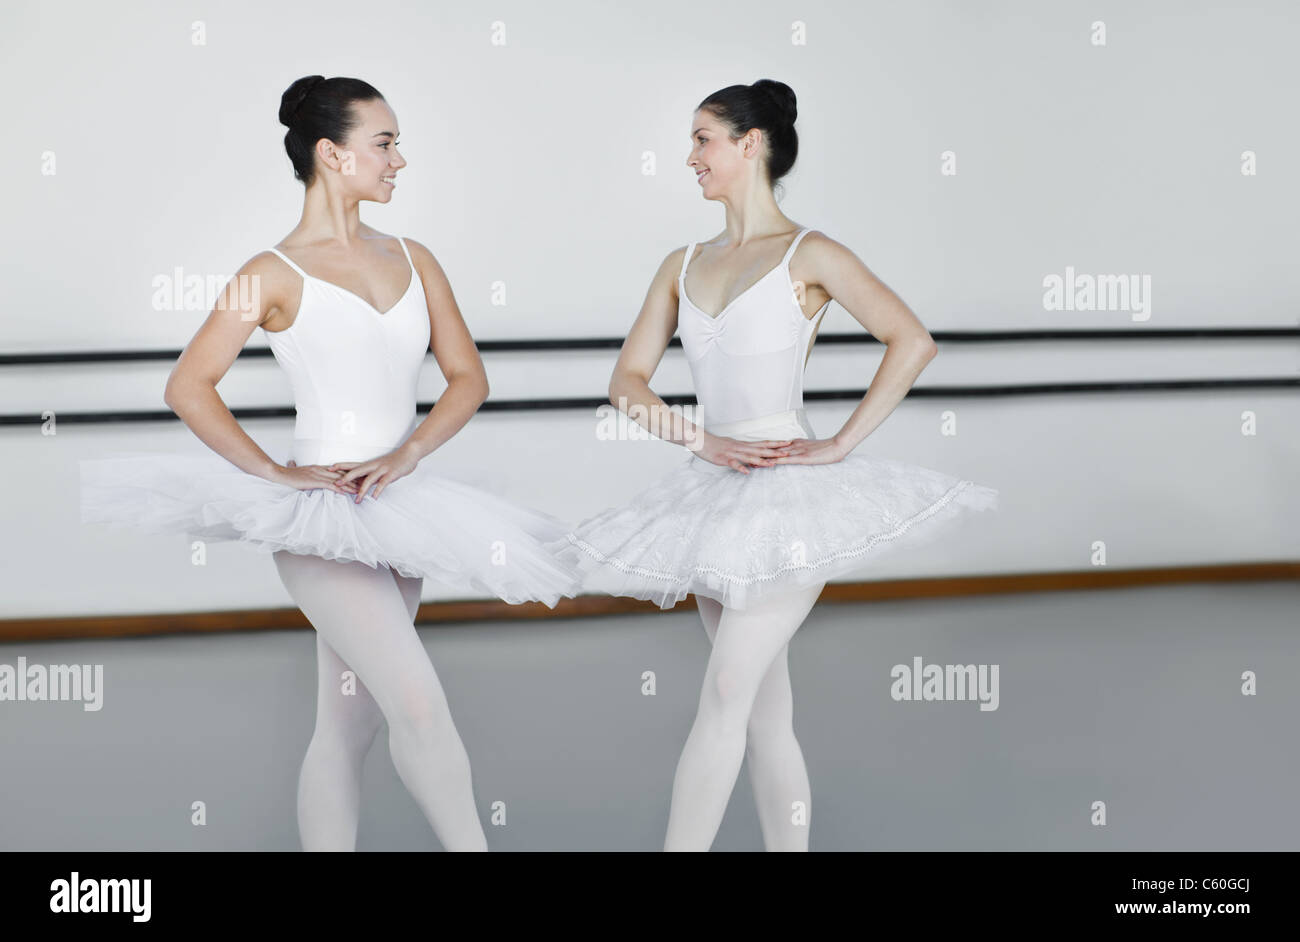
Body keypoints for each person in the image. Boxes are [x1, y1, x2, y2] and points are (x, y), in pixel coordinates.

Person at [79, 75, 582, 851]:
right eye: (384, 143)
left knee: (346, 729)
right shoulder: (274, 270)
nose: (399, 159)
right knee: (419, 706)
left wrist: (407, 454)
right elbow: (188, 385)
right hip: (318, 520)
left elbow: (468, 377)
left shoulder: (415, 259)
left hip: (398, 511)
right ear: (331, 153)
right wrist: (275, 474)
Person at [547, 79, 999, 851]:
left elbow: (911, 339)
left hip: (790, 496)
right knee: (762, 709)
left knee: (726, 687)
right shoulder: (680, 263)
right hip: (712, 494)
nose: (690, 157)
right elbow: (626, 383)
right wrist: (702, 442)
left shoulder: (810, 252)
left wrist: (841, 444)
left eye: (702, 139)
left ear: (750, 142)